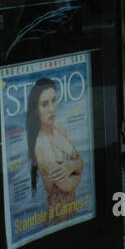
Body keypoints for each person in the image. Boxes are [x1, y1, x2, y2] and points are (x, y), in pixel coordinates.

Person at [26, 76, 84, 221]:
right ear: (36, 110)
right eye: (44, 104)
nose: (52, 109)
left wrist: (71, 165)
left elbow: (80, 163)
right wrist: (78, 170)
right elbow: (68, 185)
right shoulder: (41, 145)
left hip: (72, 208)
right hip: (57, 216)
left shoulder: (61, 128)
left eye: (54, 100)